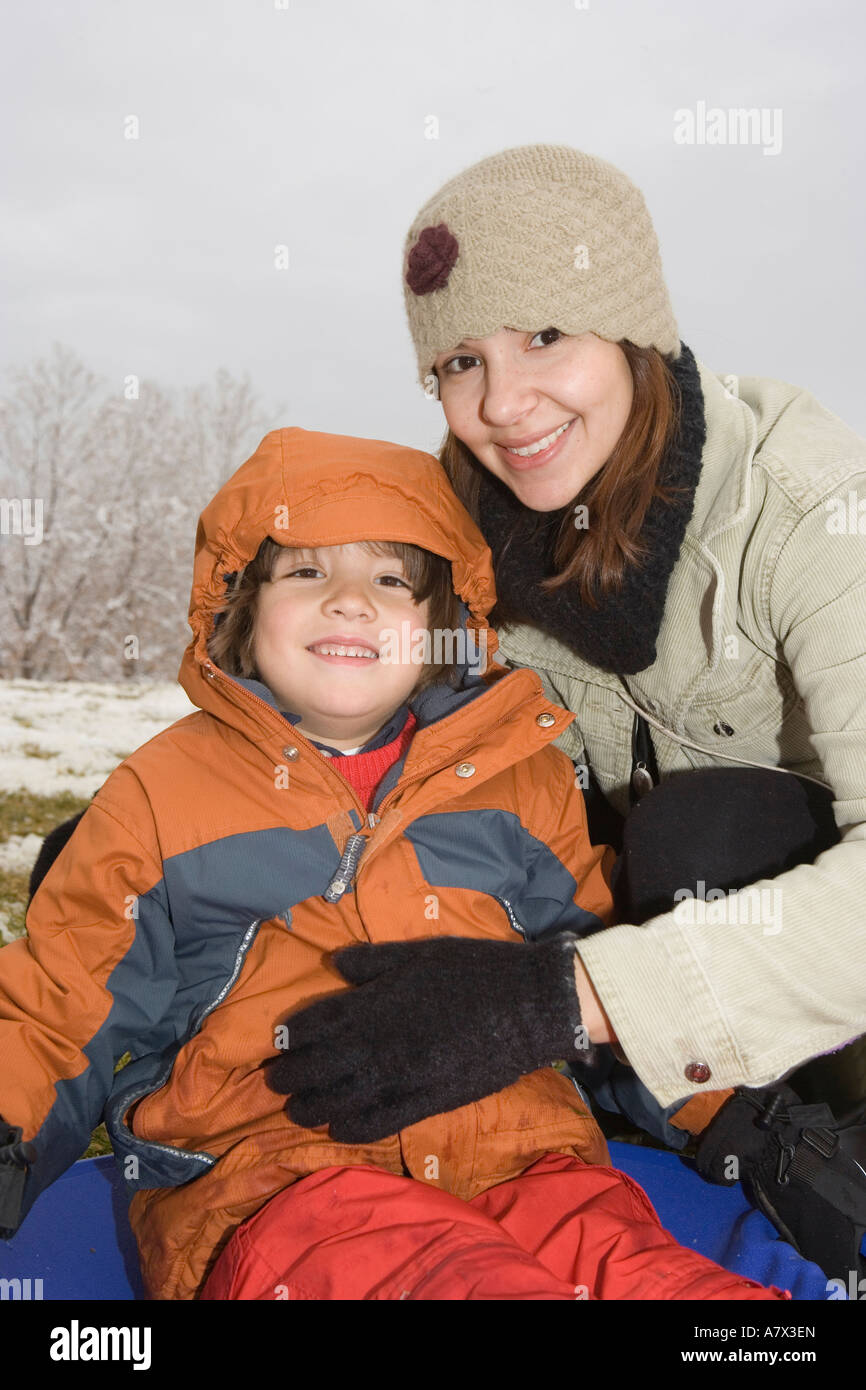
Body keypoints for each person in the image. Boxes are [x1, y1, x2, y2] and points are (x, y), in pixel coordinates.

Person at [0, 426, 786, 1302]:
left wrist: (741, 1118)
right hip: (287, 1187)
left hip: (530, 1164)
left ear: (442, 624)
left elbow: (606, 980)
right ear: (239, 605)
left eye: (389, 579)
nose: (349, 602)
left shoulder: (523, 781)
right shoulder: (162, 795)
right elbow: (56, 1005)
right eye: (306, 572)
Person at [276, 144, 866, 1282]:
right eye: (458, 361)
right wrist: (157, 846)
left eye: (546, 334)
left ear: (633, 330)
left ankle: (812, 1132)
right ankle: (673, 1108)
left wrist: (562, 1001)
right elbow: (358, 741)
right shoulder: (460, 543)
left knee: (709, 828)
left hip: (805, 974)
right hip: (624, 947)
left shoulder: (811, 513)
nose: (502, 404)